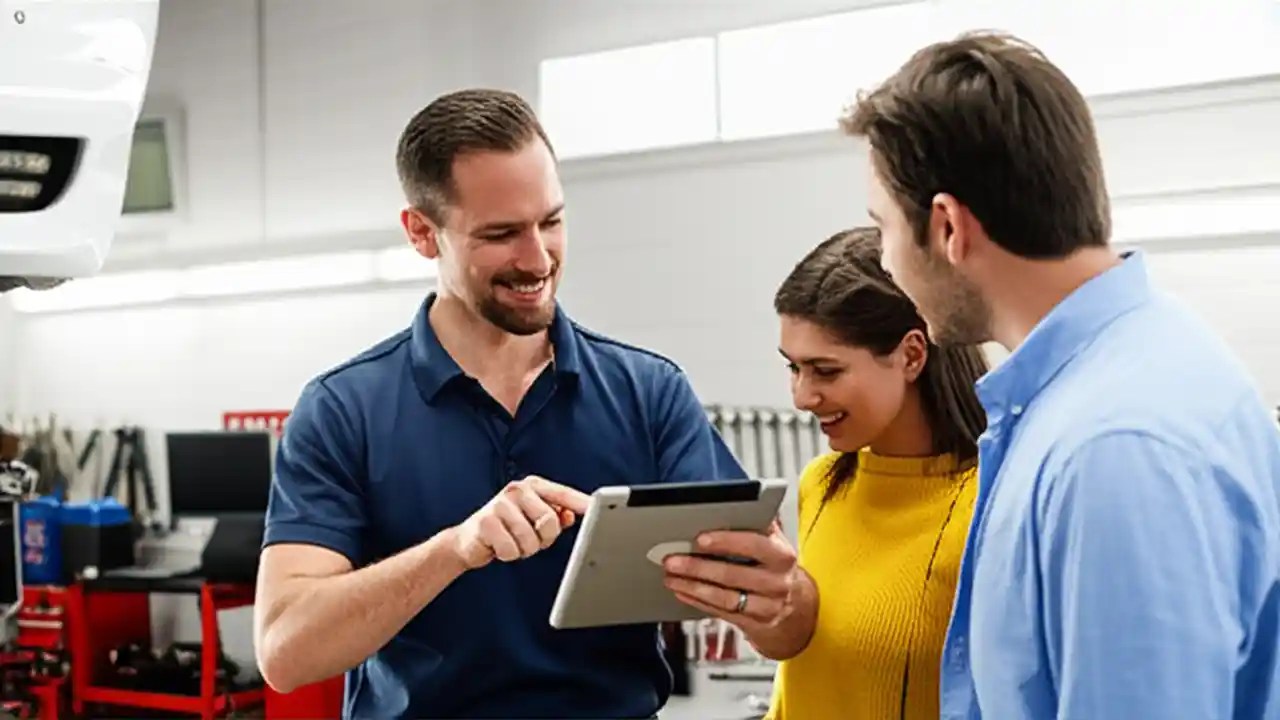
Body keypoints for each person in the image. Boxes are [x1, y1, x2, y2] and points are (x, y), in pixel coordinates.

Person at [252, 88, 745, 719]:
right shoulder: (342, 410)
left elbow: (758, 588)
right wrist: (453, 551)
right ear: (422, 233)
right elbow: (285, 653)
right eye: (502, 234)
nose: (538, 258)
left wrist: (762, 584)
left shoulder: (648, 391)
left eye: (551, 221)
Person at [842, 30, 1280, 720]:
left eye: (883, 229)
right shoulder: (1137, 366)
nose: (887, 264)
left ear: (948, 226)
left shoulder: (1112, 449)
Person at [661, 227, 990, 719]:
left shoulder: (990, 500)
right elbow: (802, 684)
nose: (801, 397)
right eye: (793, 368)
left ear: (912, 355)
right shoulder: (823, 481)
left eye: (825, 371)